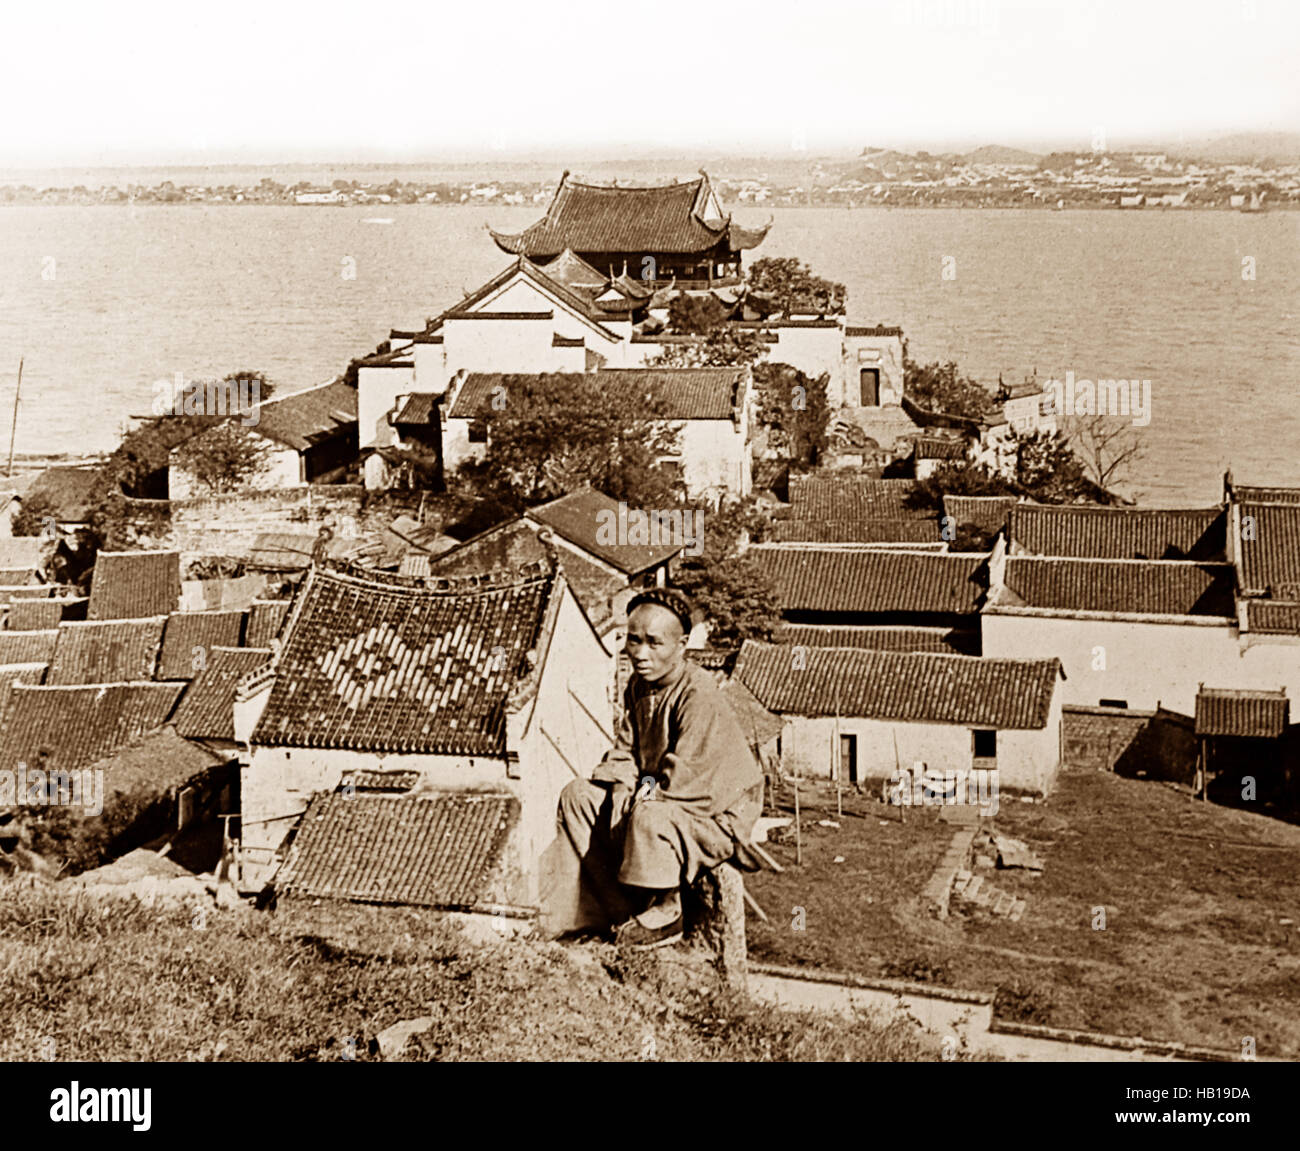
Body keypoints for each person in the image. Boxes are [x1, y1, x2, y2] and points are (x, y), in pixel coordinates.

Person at [555, 587, 763, 949]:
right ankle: (617, 915)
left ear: (682, 644)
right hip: (660, 793)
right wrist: (622, 786)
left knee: (648, 815)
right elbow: (626, 750)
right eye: (633, 640)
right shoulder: (638, 686)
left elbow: (688, 781)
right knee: (577, 796)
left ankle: (668, 911)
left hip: (715, 812)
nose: (640, 653)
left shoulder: (698, 694)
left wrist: (642, 796)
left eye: (654, 643)